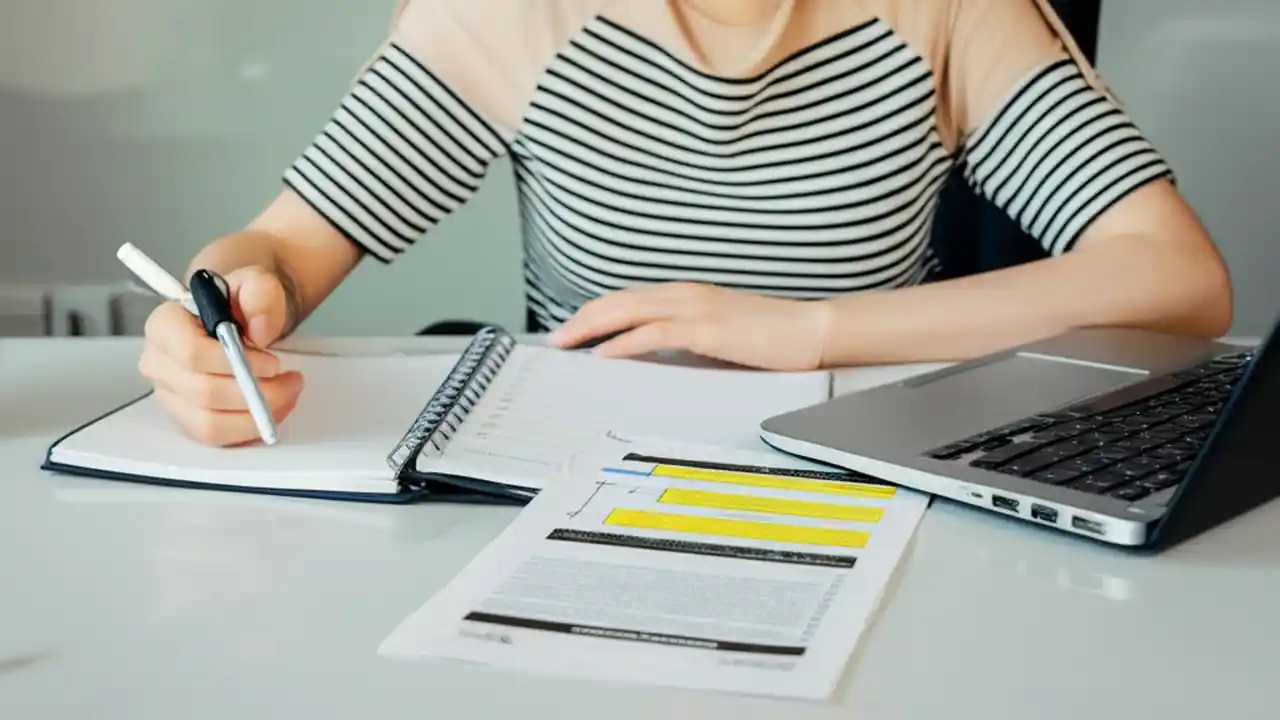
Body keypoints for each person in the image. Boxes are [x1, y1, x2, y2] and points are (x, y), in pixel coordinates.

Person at [139, 0, 1232, 446]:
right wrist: (226, 305)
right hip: (579, 471)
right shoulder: (511, 12)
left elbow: (1175, 277)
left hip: (870, 468)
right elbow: (279, 247)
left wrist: (803, 331)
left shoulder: (947, 10)